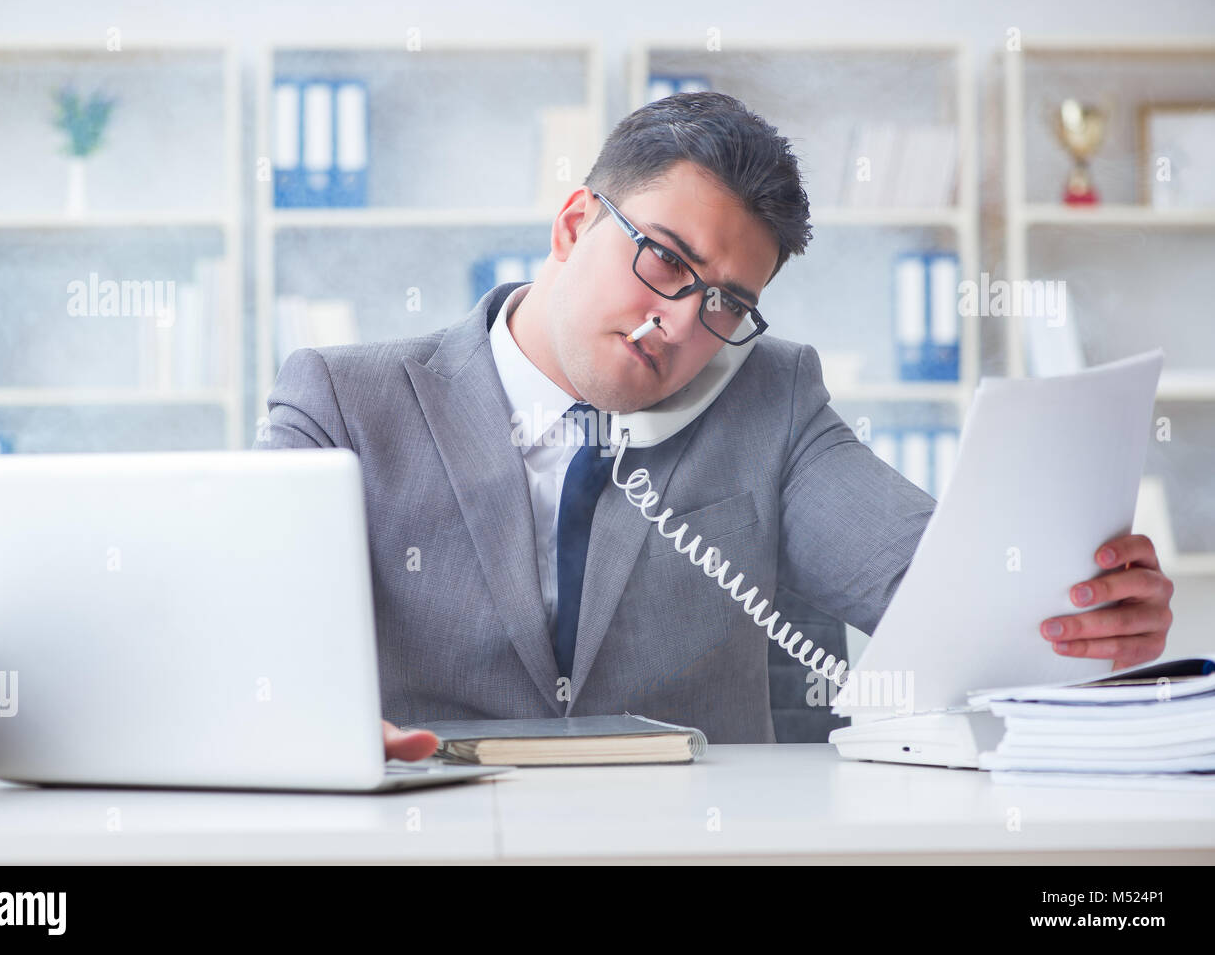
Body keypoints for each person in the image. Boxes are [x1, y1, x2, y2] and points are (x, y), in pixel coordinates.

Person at [256, 92, 1174, 761]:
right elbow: (250, 632)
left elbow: (930, 582)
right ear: (575, 225)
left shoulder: (768, 397)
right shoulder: (347, 398)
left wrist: (1082, 609)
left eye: (728, 301)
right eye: (664, 259)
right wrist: (308, 721)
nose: (682, 323)